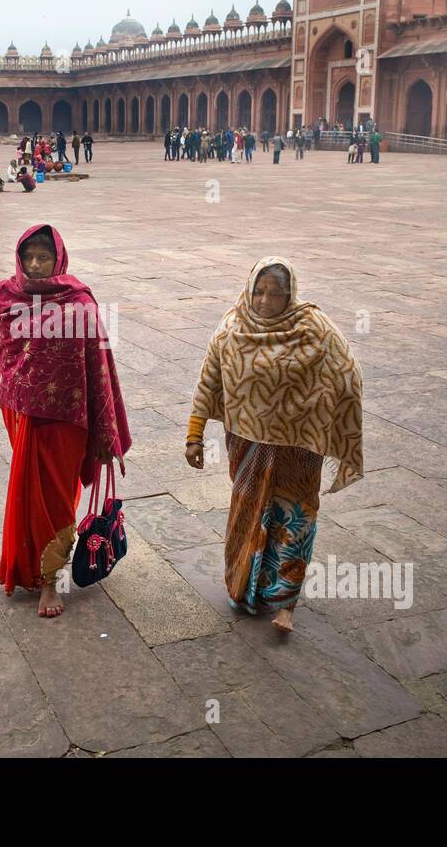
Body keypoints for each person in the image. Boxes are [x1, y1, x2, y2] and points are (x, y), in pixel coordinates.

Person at [185, 258, 362, 633]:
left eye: (275, 294)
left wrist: (323, 414)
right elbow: (208, 381)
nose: (265, 301)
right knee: (247, 512)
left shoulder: (314, 327)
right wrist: (194, 435)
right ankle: (245, 588)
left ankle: (286, 605)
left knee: (294, 520)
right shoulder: (232, 327)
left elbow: (348, 372)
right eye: (260, 292)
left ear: (290, 295)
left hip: (299, 447)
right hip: (246, 441)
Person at [0, 224, 131, 618]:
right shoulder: (5, 296)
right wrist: (10, 387)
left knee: (53, 498)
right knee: (25, 494)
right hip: (24, 417)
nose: (36, 265)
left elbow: (99, 369)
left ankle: (50, 582)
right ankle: (23, 567)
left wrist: (105, 429)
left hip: (64, 424)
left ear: (59, 258)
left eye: (44, 257)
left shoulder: (79, 302)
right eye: (29, 257)